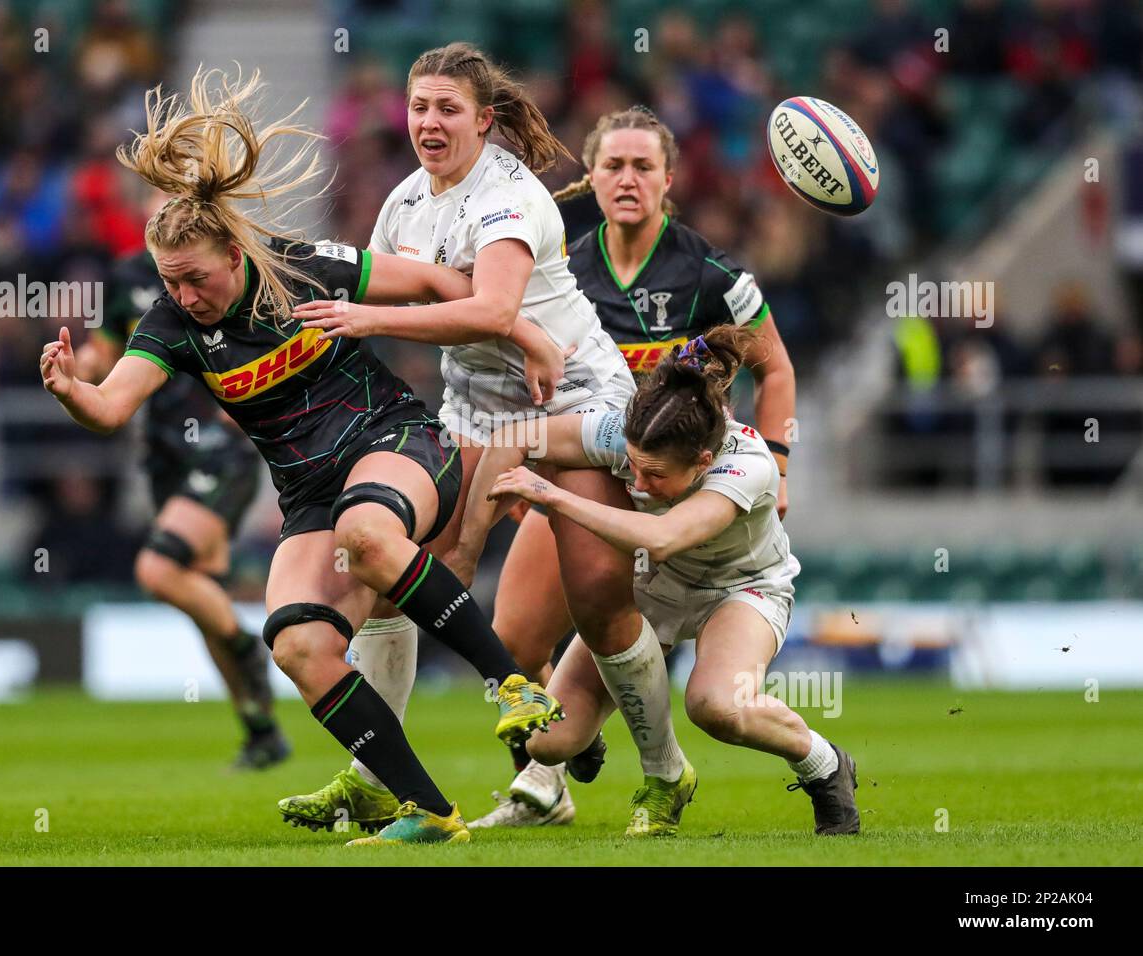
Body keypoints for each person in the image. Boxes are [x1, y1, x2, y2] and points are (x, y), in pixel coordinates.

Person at [40, 65, 564, 846]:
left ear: (232, 251)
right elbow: (111, 405)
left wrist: (520, 328)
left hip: (397, 441)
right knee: (296, 642)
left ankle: (514, 687)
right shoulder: (172, 326)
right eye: (167, 282)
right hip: (309, 492)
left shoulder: (296, 265)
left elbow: (426, 282)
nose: (181, 295)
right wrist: (71, 392)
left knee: (367, 536)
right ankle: (428, 810)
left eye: (192, 279)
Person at [281, 43, 663, 832]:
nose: (428, 121)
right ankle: (376, 778)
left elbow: (482, 307)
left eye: (447, 108)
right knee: (392, 572)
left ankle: (660, 773)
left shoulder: (508, 197)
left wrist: (381, 317)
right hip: (475, 423)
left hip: (573, 414)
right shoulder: (406, 202)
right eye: (419, 107)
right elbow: (424, 286)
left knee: (592, 611)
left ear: (484, 120)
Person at [471, 105, 799, 827]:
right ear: (591, 177)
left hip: (678, 495)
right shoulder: (560, 268)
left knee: (627, 625)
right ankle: (547, 781)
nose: (627, 178)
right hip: (591, 474)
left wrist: (777, 460)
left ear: (668, 179)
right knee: (515, 639)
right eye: (613, 165)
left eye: (642, 166)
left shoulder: (712, 273)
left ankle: (647, 768)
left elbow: (776, 370)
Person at [456, 327, 859, 837]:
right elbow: (513, 438)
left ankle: (825, 767)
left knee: (717, 706)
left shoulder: (747, 464)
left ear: (703, 462)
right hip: (655, 588)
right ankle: (600, 727)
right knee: (547, 743)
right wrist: (466, 548)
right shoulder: (622, 434)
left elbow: (664, 537)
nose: (639, 482)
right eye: (634, 466)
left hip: (741, 590)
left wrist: (553, 495)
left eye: (654, 476)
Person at [77, 229, 285, 771]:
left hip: (221, 445)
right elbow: (104, 353)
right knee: (203, 593)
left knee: (159, 567)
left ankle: (246, 645)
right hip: (163, 451)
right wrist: (75, 373)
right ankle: (260, 728)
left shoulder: (230, 265)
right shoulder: (126, 276)